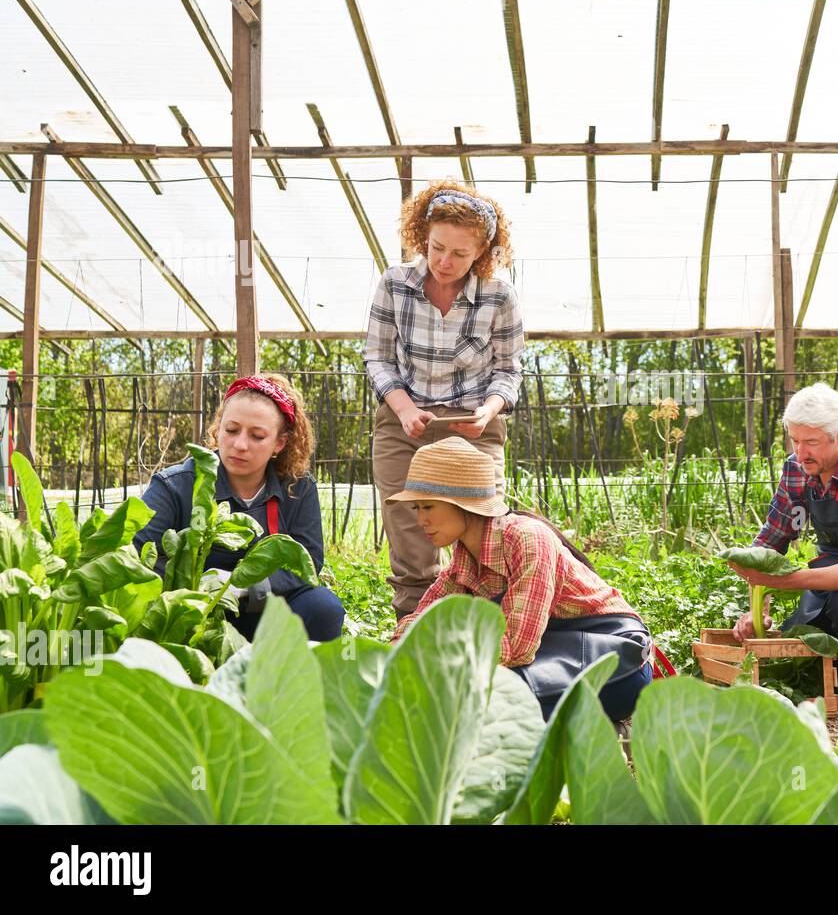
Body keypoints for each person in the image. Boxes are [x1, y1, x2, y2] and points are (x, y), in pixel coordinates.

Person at [390, 436, 656, 722]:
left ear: (464, 503)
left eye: (428, 507)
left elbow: (516, 647)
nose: (420, 521)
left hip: (614, 662)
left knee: (479, 704)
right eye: (416, 508)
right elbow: (420, 620)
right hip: (546, 658)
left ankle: (601, 732)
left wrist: (434, 660)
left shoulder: (527, 539)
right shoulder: (463, 561)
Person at [365, 179, 524, 625]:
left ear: (483, 253)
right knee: (411, 536)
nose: (444, 261)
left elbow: (508, 370)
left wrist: (488, 411)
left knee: (483, 532)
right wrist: (403, 409)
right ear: (422, 235)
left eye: (460, 254)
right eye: (437, 248)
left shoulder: (500, 297)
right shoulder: (395, 284)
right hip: (404, 419)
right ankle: (412, 632)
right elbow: (376, 357)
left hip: (472, 427)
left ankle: (485, 634)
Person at [134, 374, 344, 642]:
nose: (240, 445)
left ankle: (285, 675)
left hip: (265, 607)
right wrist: (193, 587)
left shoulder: (297, 488)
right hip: (191, 612)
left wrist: (242, 586)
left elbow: (307, 561)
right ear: (218, 428)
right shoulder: (176, 486)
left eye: (257, 436)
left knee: (323, 608)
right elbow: (139, 554)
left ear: (279, 443)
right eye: (231, 430)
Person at [729, 383, 838, 677]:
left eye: (810, 441)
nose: (801, 452)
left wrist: (789, 580)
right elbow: (769, 544)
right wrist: (758, 609)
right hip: (831, 577)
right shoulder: (797, 469)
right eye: (794, 440)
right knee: (798, 647)